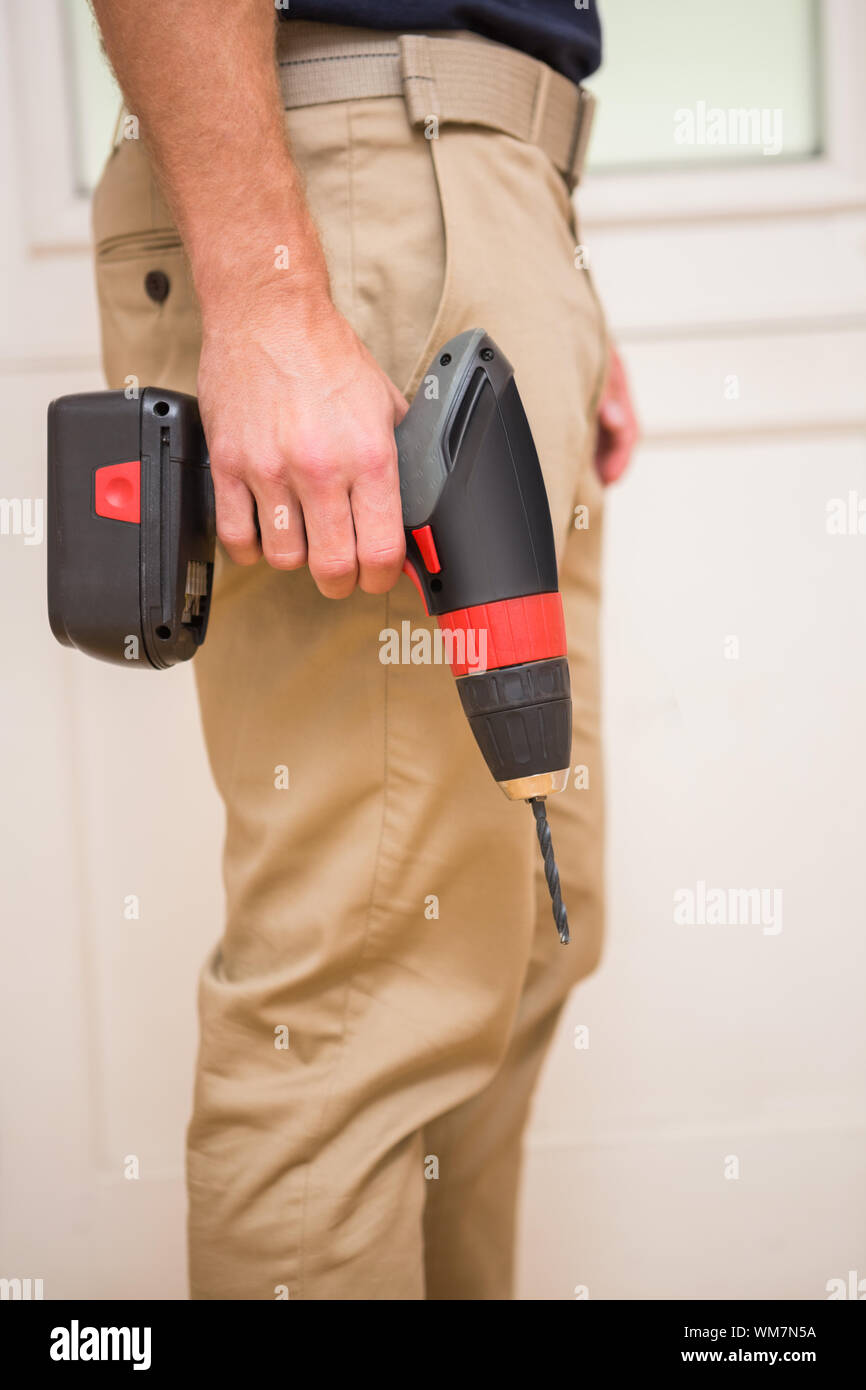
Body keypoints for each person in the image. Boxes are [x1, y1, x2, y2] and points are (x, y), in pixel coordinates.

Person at [89, 0, 638, 1300]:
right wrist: (271, 297)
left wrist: (547, 268)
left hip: (480, 195)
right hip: (344, 189)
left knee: (521, 943)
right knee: (353, 1007)